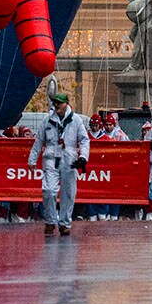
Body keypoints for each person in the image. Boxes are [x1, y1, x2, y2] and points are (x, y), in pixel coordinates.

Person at [28, 92, 90, 236]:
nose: (56, 105)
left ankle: (65, 223)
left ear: (66, 104)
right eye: (54, 102)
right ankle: (50, 221)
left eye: (59, 103)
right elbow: (39, 140)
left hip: (69, 158)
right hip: (51, 157)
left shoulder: (76, 120)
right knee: (49, 190)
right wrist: (32, 159)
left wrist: (83, 157)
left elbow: (84, 140)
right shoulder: (47, 120)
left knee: (68, 192)